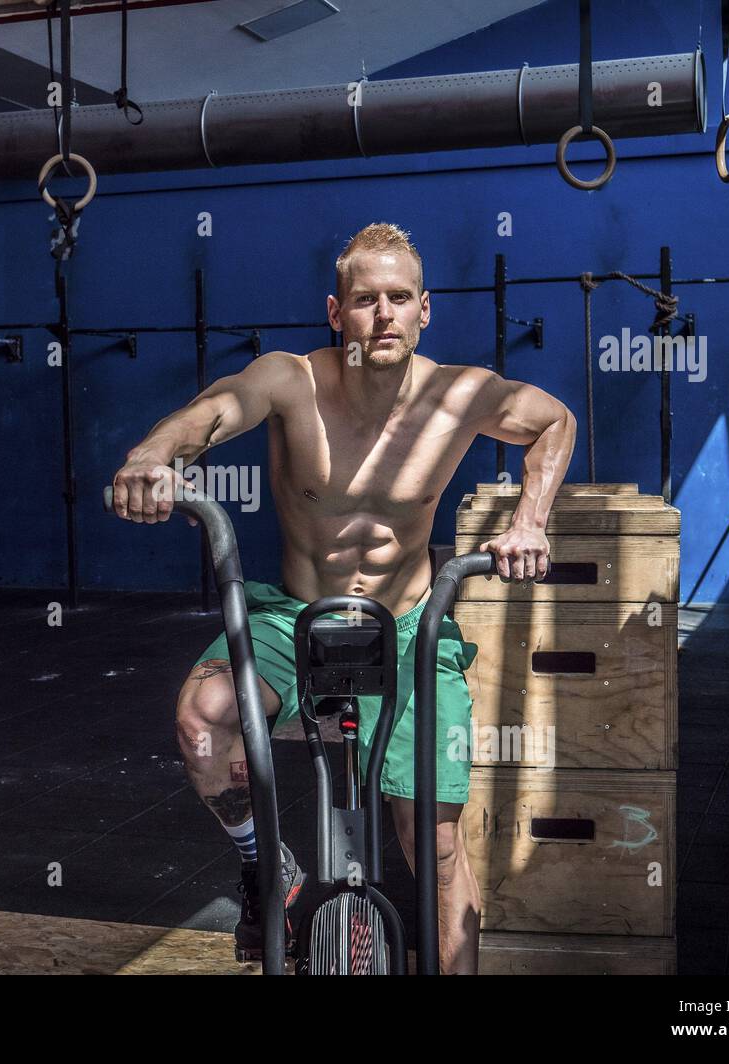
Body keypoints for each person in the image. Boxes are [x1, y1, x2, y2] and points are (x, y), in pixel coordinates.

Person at [109, 223, 575, 973]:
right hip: (300, 616)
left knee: (436, 836)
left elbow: (553, 421)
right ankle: (269, 867)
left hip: (410, 624)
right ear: (337, 312)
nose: (383, 314)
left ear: (427, 310)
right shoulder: (291, 380)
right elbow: (215, 409)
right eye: (365, 300)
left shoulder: (460, 394)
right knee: (204, 720)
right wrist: (151, 455)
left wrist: (530, 520)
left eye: (399, 299)